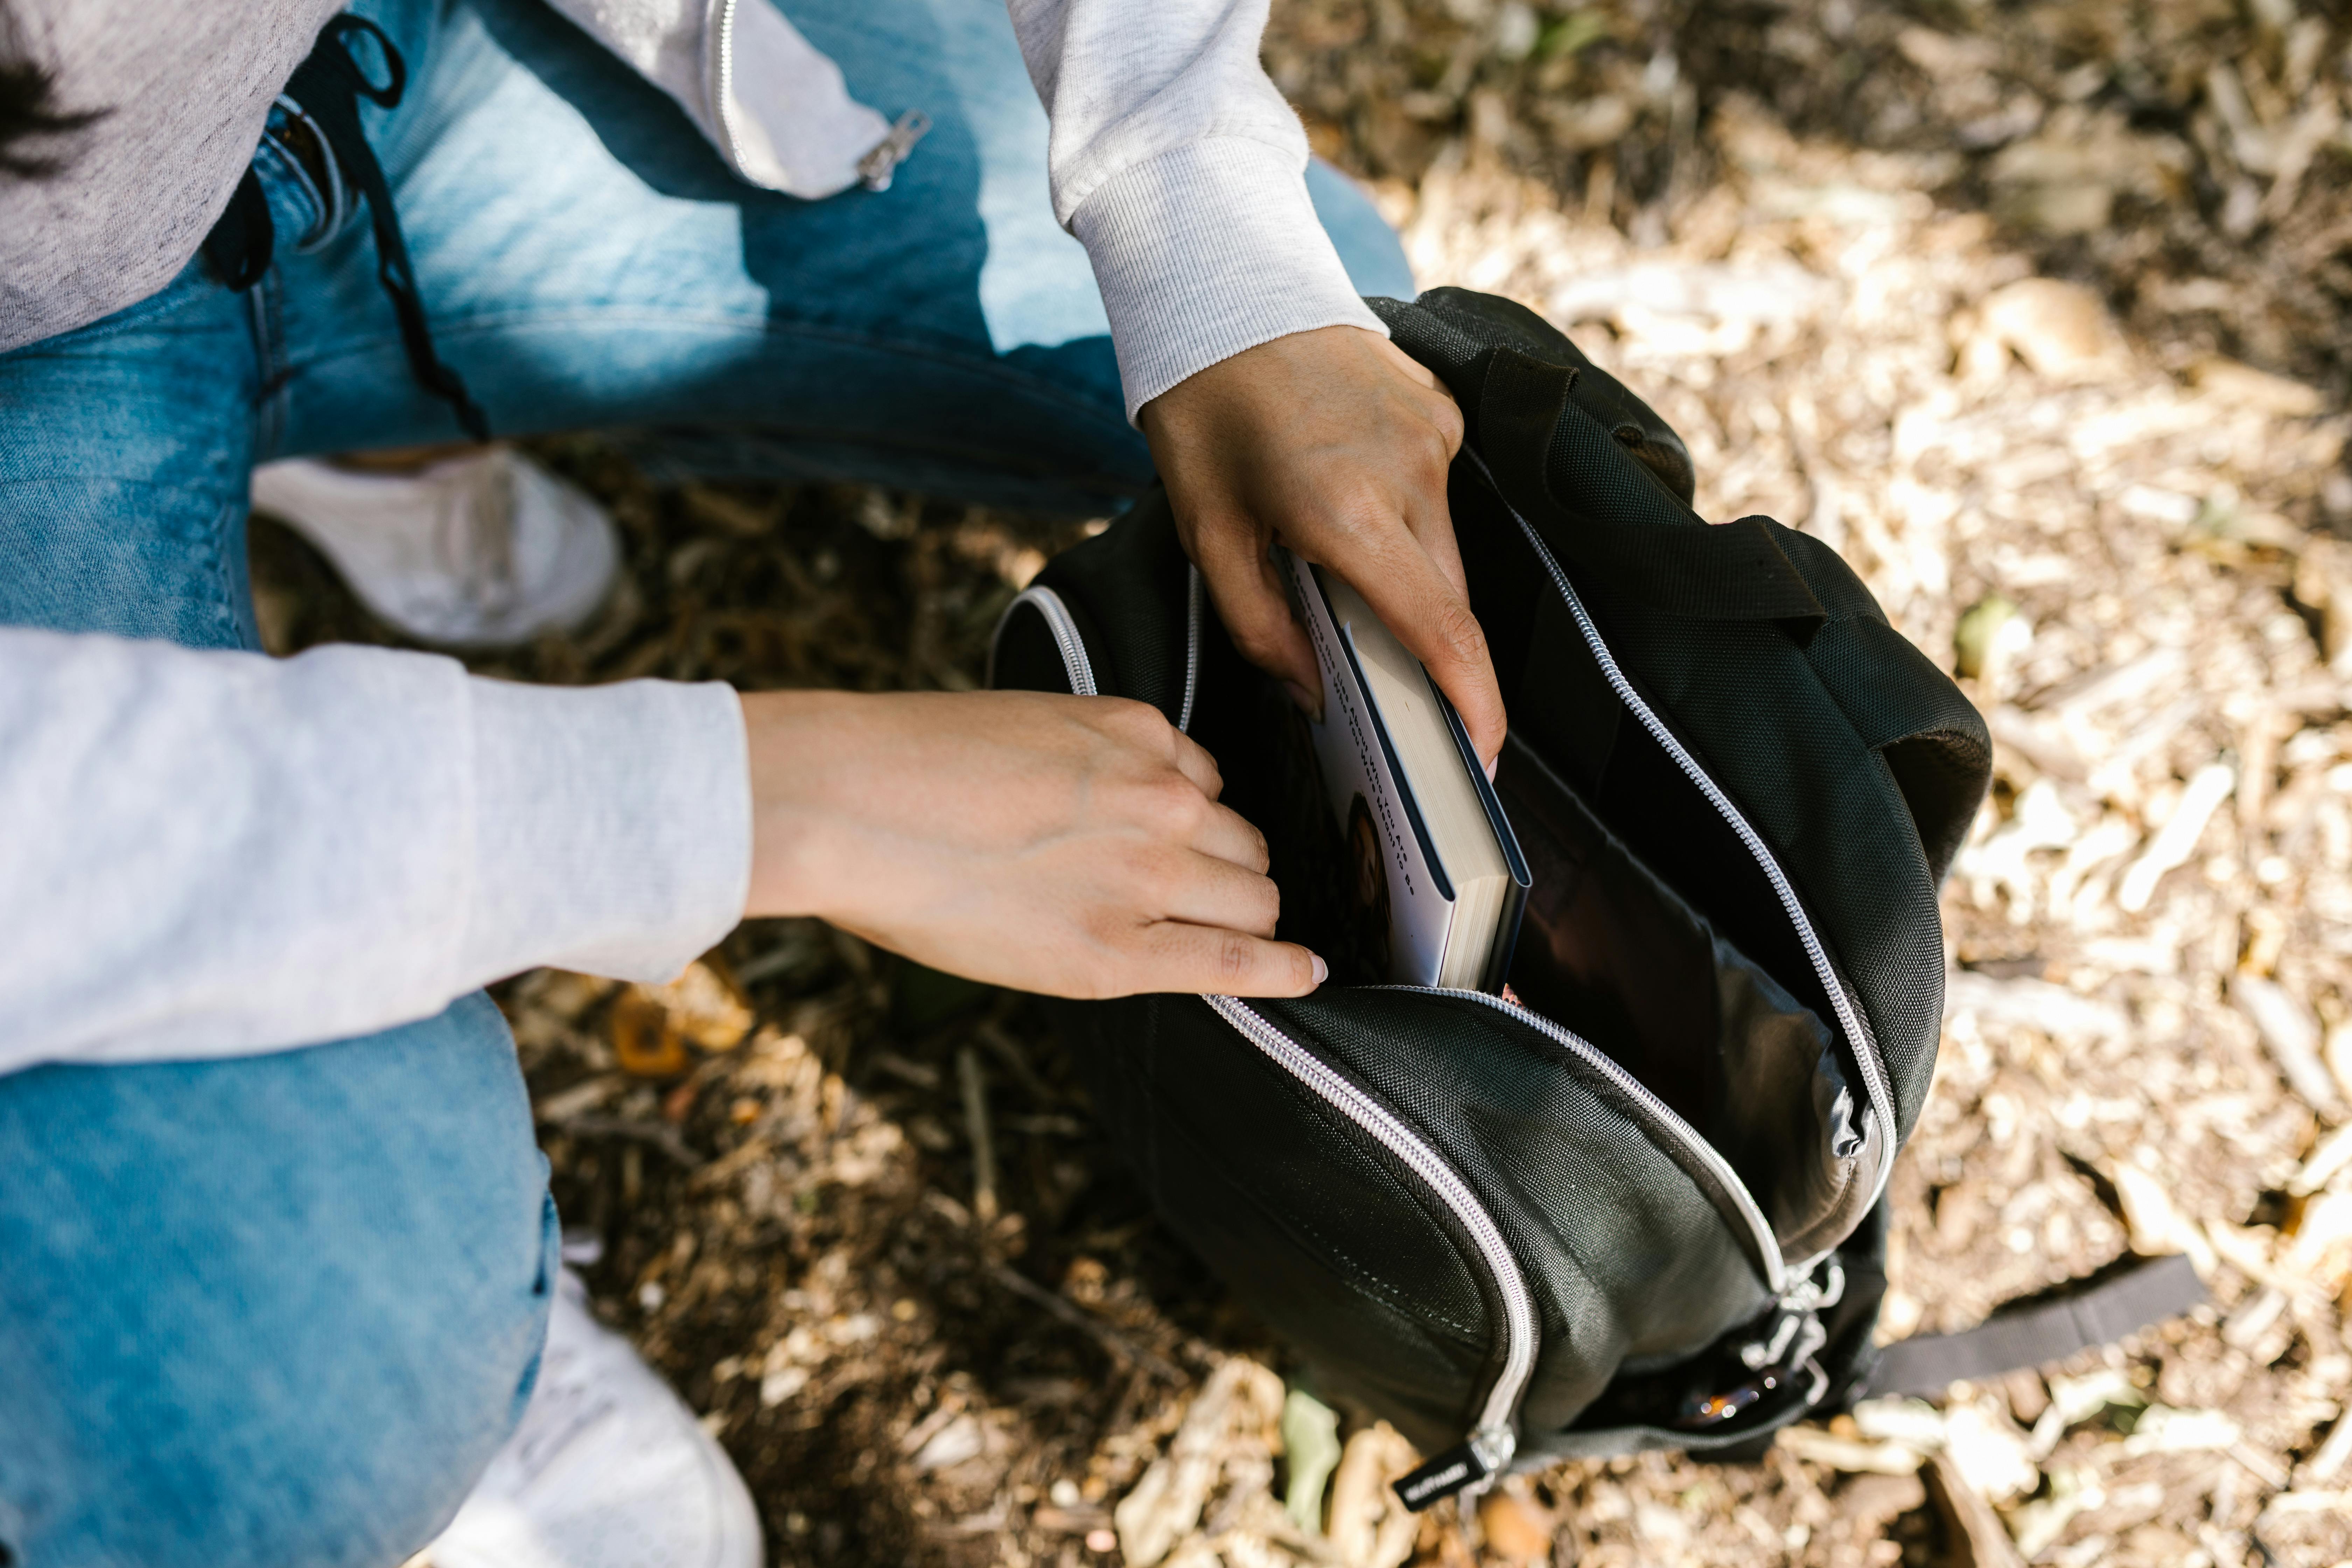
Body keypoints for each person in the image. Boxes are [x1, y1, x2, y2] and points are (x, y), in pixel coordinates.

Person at [0, 0, 1503, 1562]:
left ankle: (362, 448)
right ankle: (424, 1263)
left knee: (1348, 290)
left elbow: (1222, 243)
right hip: (22, 335)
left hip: (354, 62)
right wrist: (761, 796)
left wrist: (1208, 237)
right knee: (316, 1378)